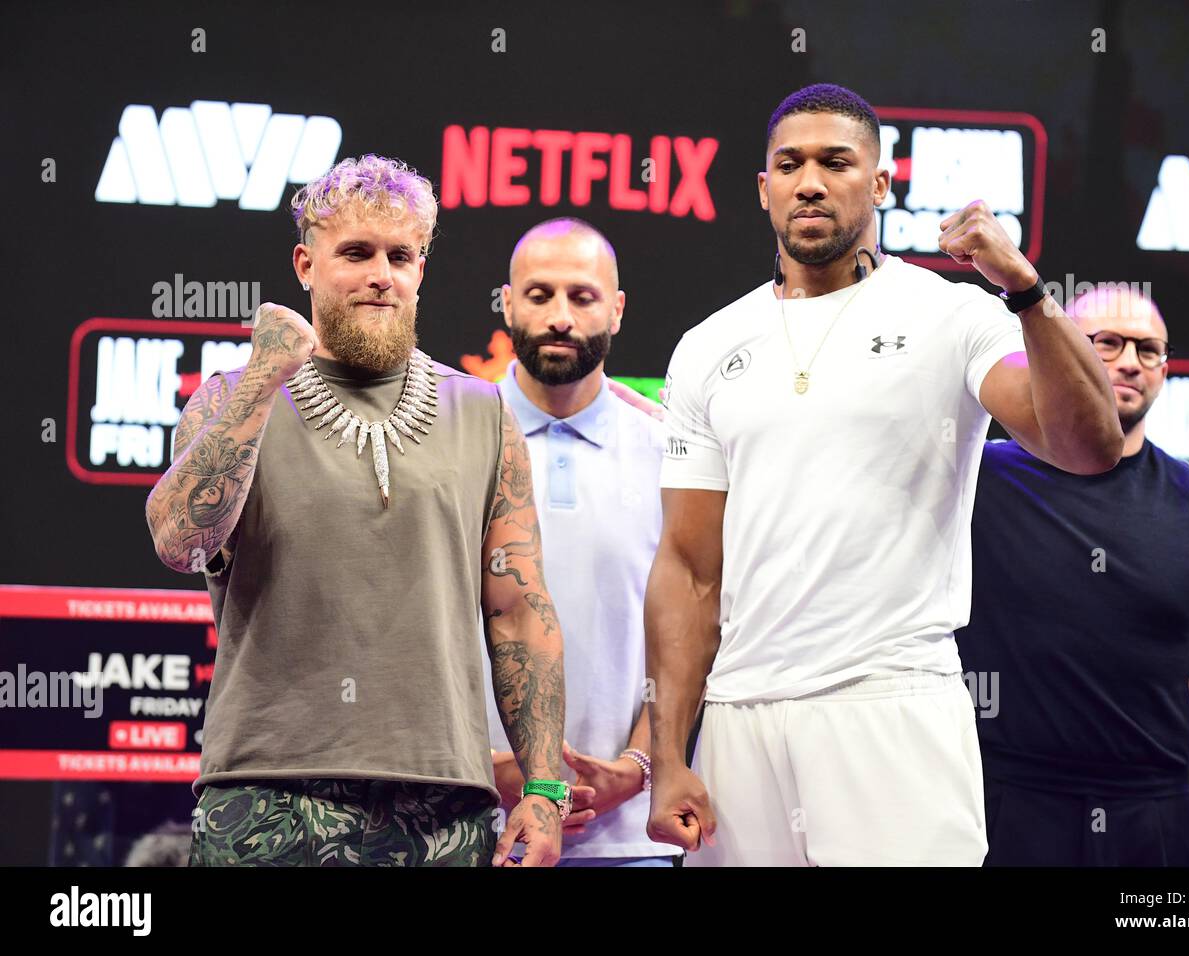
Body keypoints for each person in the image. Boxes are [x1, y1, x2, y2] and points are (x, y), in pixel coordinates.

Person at [644, 83, 1123, 866]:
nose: (810, 181)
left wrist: (1027, 292)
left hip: (889, 702)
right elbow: (688, 567)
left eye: (837, 162)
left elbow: (1086, 444)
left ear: (880, 183)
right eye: (789, 164)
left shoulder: (955, 316)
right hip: (740, 716)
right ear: (763, 188)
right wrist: (668, 757)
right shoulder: (707, 345)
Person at [144, 154, 570, 867]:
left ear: (421, 269)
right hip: (266, 794)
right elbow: (179, 542)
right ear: (305, 264)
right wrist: (265, 376)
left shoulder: (482, 412)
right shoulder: (230, 399)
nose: (382, 274)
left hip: (444, 804)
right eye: (356, 252)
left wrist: (545, 787)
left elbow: (519, 611)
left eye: (401, 255)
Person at [956, 286, 1189, 866]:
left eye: (1148, 349)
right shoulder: (972, 484)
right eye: (1106, 344)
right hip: (993, 807)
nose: (1130, 361)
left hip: (1151, 822)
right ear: (1058, 349)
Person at [483, 218, 680, 866]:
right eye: (539, 296)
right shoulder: (450, 441)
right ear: (508, 304)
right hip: (471, 826)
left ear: (616, 309)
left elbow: (693, 630)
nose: (560, 316)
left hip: (628, 838)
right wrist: (474, 762)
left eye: (583, 296)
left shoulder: (668, 456)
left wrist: (642, 764)